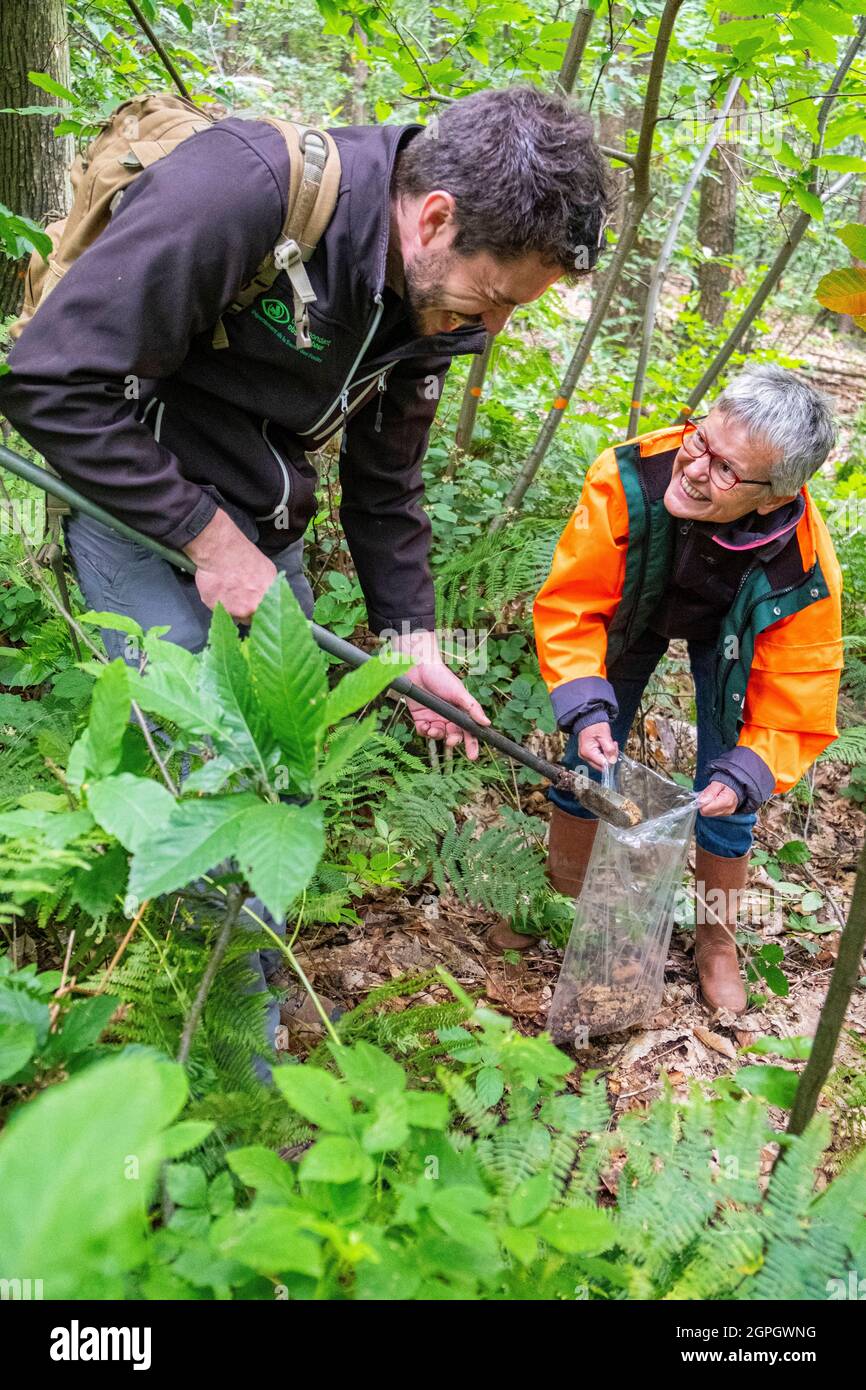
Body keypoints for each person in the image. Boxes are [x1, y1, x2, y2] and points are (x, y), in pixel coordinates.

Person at [0, 83, 610, 1063]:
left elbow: (385, 481)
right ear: (437, 216)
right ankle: (236, 1063)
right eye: (494, 295)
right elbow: (50, 384)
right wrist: (205, 537)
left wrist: (408, 636)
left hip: (261, 519)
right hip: (143, 512)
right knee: (217, 780)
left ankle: (242, 977)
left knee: (278, 774)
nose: (487, 322)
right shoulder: (240, 193)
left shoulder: (432, 297)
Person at [512, 366, 843, 1017]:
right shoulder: (630, 477)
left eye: (726, 471)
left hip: (732, 632)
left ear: (774, 496)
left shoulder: (801, 566)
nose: (695, 469)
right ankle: (560, 896)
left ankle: (715, 942)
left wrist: (750, 768)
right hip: (633, 608)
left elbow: (796, 695)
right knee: (588, 754)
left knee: (733, 792)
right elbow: (575, 603)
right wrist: (584, 699)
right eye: (701, 442)